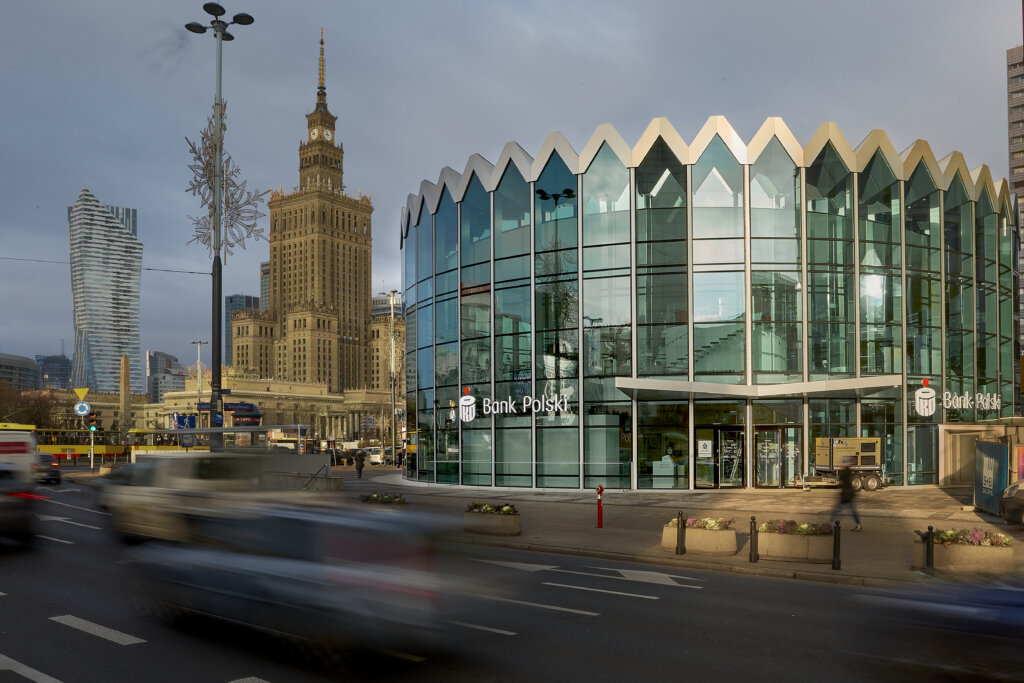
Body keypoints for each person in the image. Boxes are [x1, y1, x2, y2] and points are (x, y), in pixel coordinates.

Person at [832, 464, 863, 531]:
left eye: (842, 466)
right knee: (838, 510)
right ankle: (858, 524)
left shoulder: (845, 473)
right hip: (846, 495)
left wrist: (844, 468)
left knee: (839, 510)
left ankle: (859, 525)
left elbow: (842, 477)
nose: (840, 467)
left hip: (847, 496)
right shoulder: (846, 473)